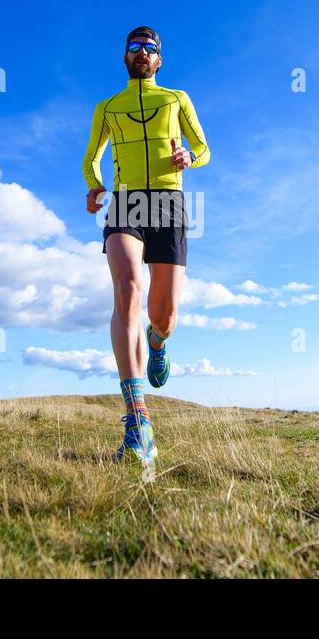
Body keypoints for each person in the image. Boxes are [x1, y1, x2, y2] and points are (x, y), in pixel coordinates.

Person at [81, 26, 211, 467]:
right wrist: (94, 185)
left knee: (164, 315)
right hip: (126, 203)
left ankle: (157, 343)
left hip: (170, 203)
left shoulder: (176, 99)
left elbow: (204, 148)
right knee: (128, 289)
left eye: (149, 48)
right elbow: (90, 157)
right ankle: (138, 424)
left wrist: (189, 158)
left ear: (160, 60)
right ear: (124, 58)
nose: (141, 53)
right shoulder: (107, 108)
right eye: (134, 47)